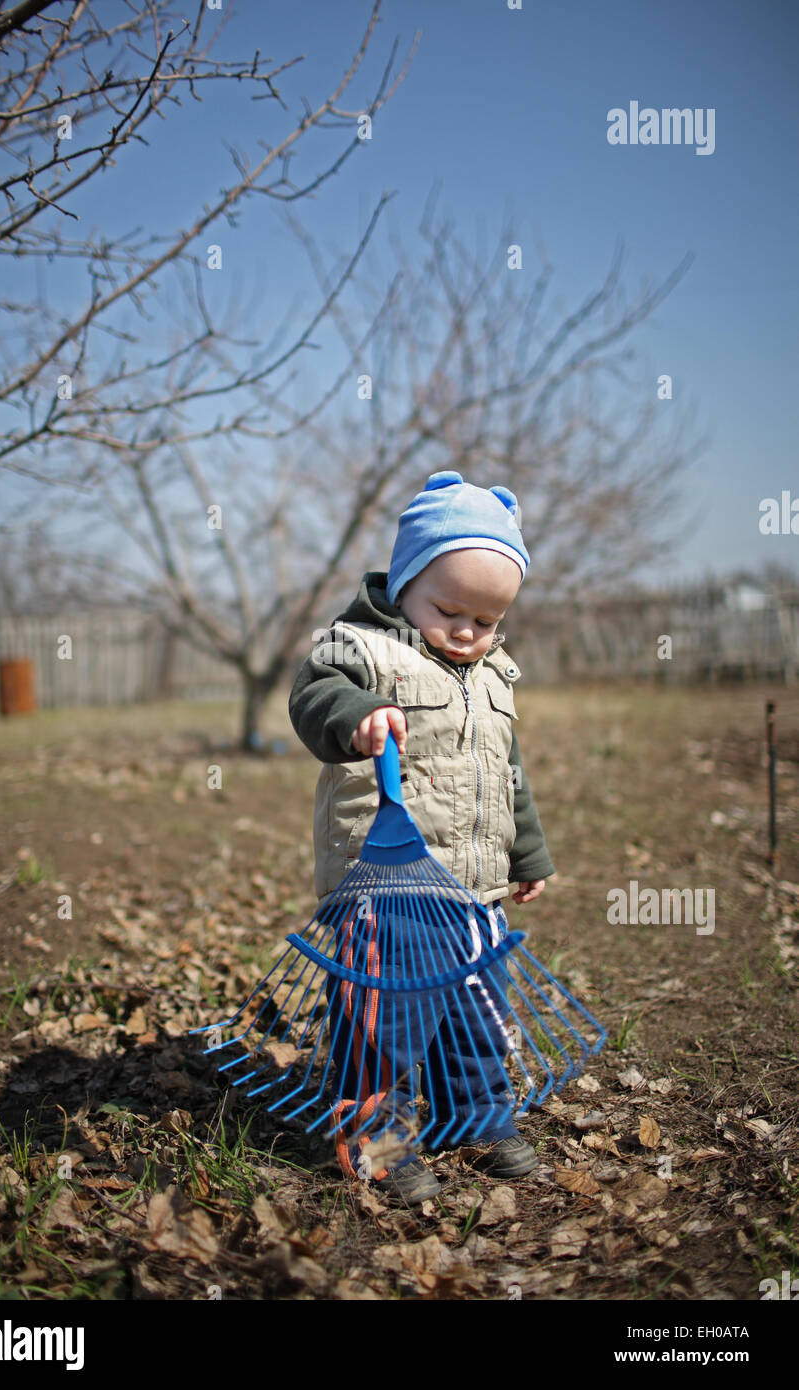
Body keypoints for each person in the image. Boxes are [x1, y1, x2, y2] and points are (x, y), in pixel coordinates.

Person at [288, 470, 555, 1204]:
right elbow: (313, 697)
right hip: (389, 883)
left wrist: (525, 854)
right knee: (387, 1018)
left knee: (477, 1010)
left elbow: (508, 772)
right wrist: (356, 717)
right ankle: (374, 1135)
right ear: (405, 583)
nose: (470, 631)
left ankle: (475, 1115)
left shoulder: (495, 673)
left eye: (489, 619)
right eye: (450, 610)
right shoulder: (362, 650)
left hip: (474, 888)